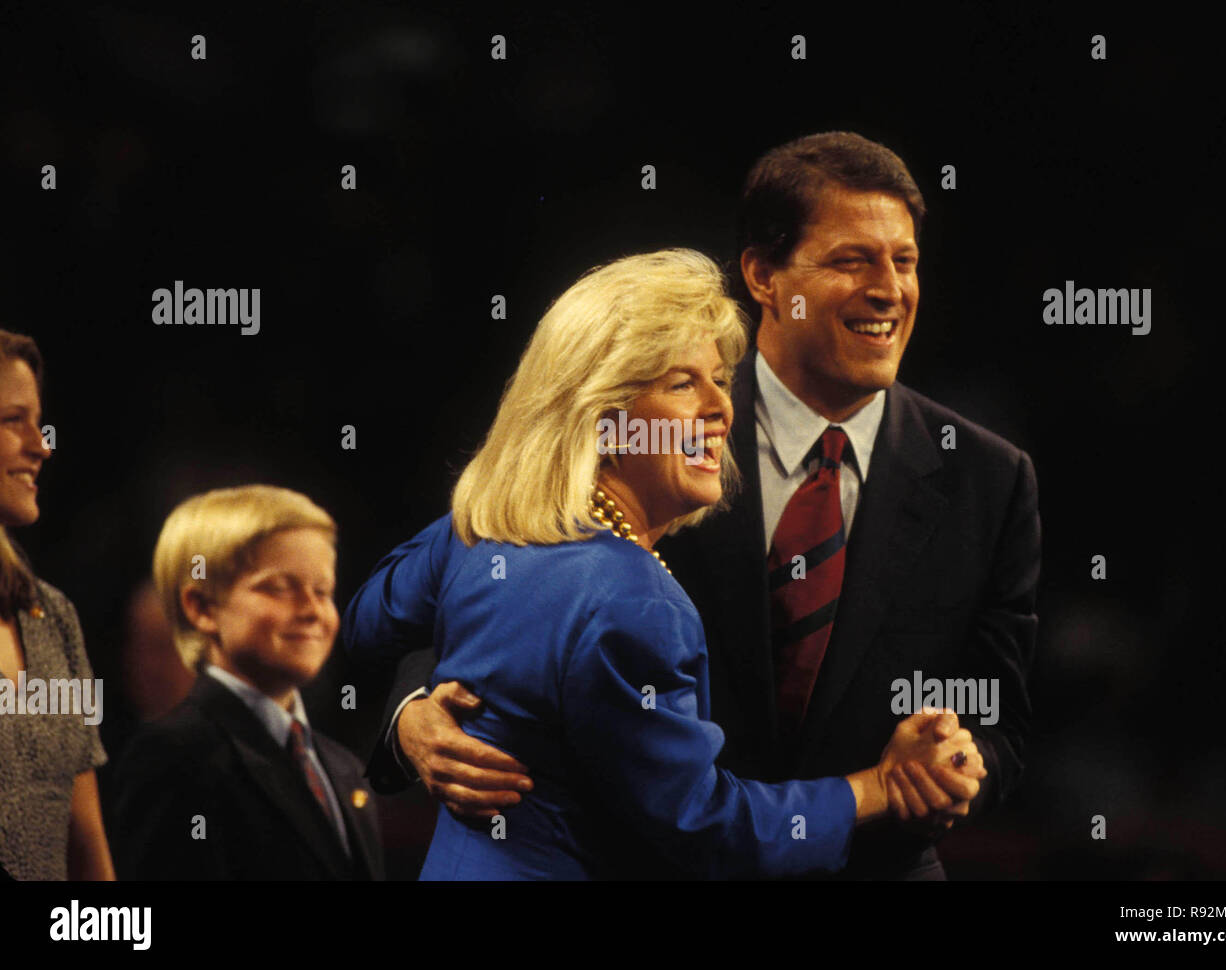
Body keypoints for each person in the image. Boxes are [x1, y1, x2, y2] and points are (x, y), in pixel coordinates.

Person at [375, 133, 1041, 880]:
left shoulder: (989, 480)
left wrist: (955, 766)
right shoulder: (651, 437)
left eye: (905, 261)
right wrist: (413, 716)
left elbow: (1002, 723)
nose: (889, 288)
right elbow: (476, 578)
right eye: (852, 260)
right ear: (763, 274)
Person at [110, 485, 383, 880]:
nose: (311, 610)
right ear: (202, 608)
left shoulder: (345, 769)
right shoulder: (173, 757)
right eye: (278, 588)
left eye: (323, 591)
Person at [0, 329, 116, 881]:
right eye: (10, 420)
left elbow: (86, 844)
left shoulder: (55, 620)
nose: (40, 445)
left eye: (37, 420)